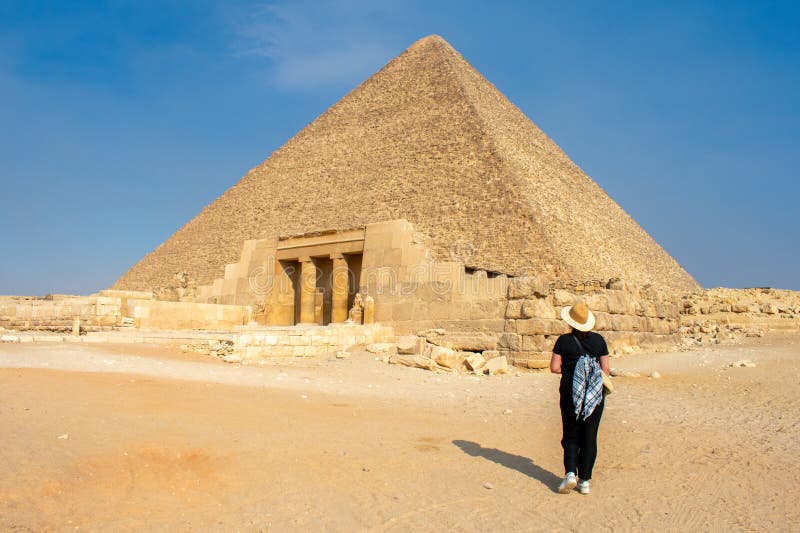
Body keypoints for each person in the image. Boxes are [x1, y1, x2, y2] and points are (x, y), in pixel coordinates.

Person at [549, 300, 610, 495]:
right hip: (594, 394)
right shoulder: (599, 341)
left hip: (570, 392)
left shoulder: (563, 341)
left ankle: (570, 474)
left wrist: (573, 374)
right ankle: (585, 481)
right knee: (590, 435)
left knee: (571, 433)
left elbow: (554, 367)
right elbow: (605, 370)